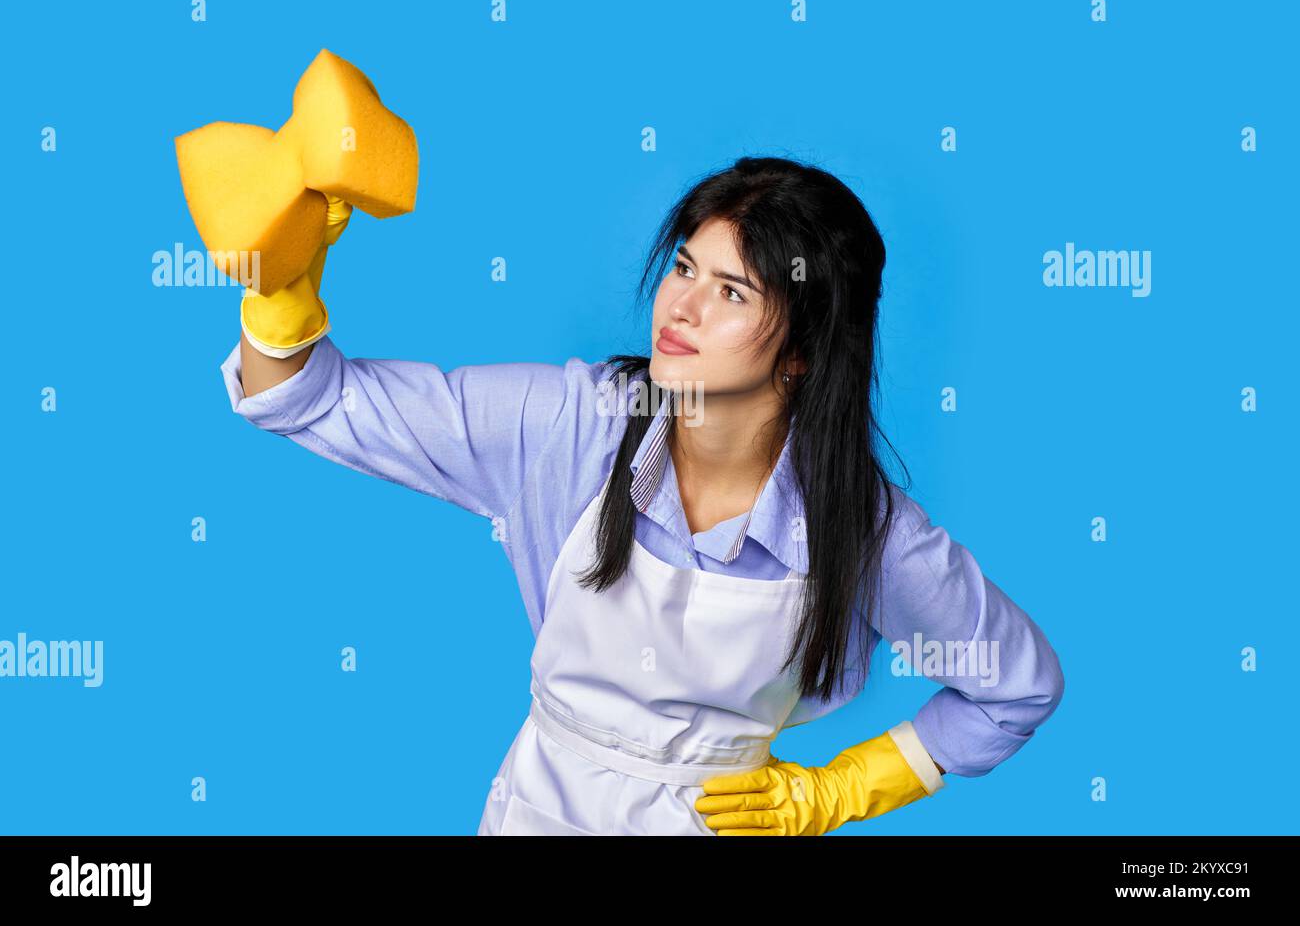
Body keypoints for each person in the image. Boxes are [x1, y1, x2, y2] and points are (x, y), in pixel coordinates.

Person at [222, 155, 1065, 835]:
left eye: (731, 291)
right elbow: (312, 399)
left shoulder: (867, 532)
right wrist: (280, 284)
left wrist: (841, 791)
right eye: (684, 267)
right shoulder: (571, 426)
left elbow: (1017, 687)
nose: (681, 306)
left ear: (803, 351)